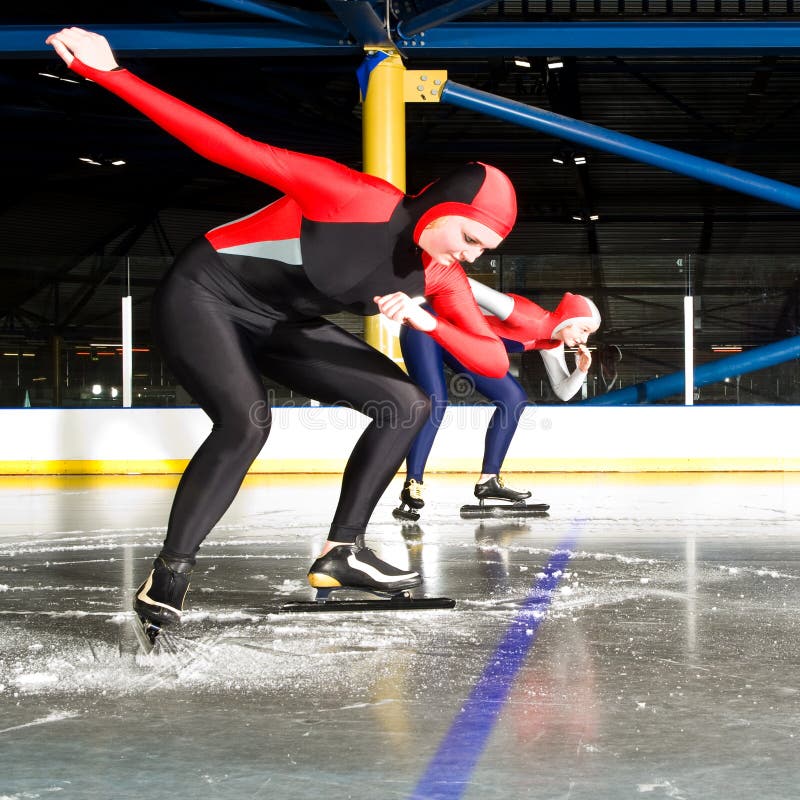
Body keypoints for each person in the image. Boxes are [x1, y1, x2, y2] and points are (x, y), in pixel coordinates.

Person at [46, 28, 520, 629]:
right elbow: (227, 146)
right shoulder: (355, 197)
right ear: (444, 209)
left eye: (487, 249)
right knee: (247, 421)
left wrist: (431, 323)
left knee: (408, 402)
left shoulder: (440, 277)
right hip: (204, 294)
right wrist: (110, 73)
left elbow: (493, 362)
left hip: (278, 320)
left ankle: (340, 553)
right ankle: (169, 574)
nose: (473, 256)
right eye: (472, 238)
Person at [395, 279, 600, 517]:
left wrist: (581, 371)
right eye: (584, 330)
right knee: (436, 401)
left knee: (513, 399)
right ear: (569, 319)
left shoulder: (552, 343)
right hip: (427, 326)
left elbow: (563, 393)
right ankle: (413, 483)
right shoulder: (524, 313)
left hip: (461, 343)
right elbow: (462, 283)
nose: (584, 339)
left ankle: (488, 480)